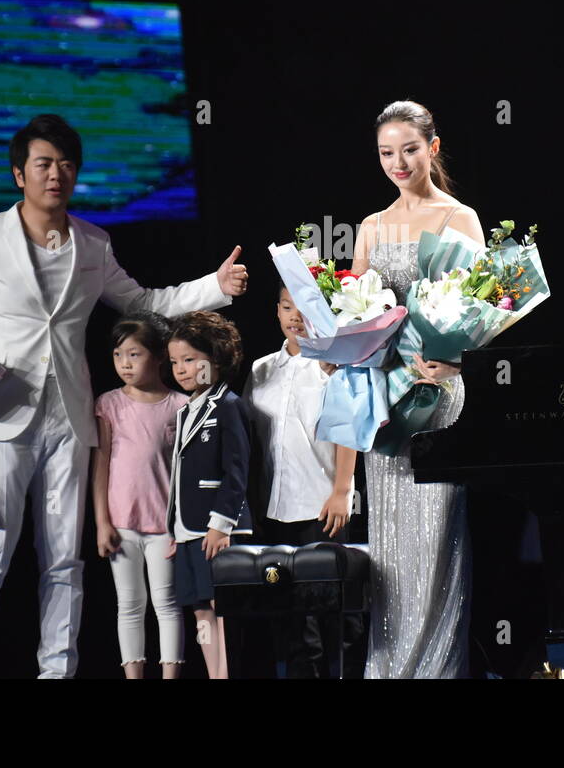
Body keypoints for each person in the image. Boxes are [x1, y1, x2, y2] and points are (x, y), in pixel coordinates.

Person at [0, 113, 248, 678]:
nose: (56, 175)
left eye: (67, 165)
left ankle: (57, 672)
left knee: (64, 561)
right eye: (43, 164)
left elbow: (141, 303)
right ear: (19, 173)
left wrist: (213, 287)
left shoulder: (93, 242)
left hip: (69, 420)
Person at [350, 99, 486, 679]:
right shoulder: (372, 227)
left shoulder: (461, 218)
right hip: (385, 393)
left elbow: (482, 305)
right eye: (386, 152)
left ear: (432, 148)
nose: (398, 162)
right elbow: (356, 312)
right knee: (390, 549)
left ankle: (432, 669)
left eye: (409, 149)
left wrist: (452, 356)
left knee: (433, 545)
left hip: (436, 391)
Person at [243, 283, 363, 678]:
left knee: (333, 610)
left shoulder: (335, 366)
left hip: (323, 505)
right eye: (286, 307)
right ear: (276, 311)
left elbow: (349, 429)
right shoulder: (261, 369)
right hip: (273, 509)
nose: (294, 317)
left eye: (303, 308)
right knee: (292, 618)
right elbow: (250, 441)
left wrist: (342, 491)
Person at [92, 311, 187, 679]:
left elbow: (184, 471)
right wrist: (102, 521)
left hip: (164, 523)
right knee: (129, 604)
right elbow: (100, 466)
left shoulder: (179, 406)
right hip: (121, 522)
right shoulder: (109, 404)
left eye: (135, 354)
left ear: (159, 355)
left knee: (167, 603)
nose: (125, 364)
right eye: (118, 355)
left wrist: (182, 525)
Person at [166, 310, 254, 679]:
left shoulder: (229, 406)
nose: (181, 369)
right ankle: (214, 674)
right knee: (201, 610)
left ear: (215, 358)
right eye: (174, 362)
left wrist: (221, 525)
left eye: (190, 360)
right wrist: (174, 529)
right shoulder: (186, 411)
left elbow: (237, 472)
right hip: (189, 532)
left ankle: (229, 673)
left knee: (222, 610)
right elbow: (177, 476)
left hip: (218, 530)